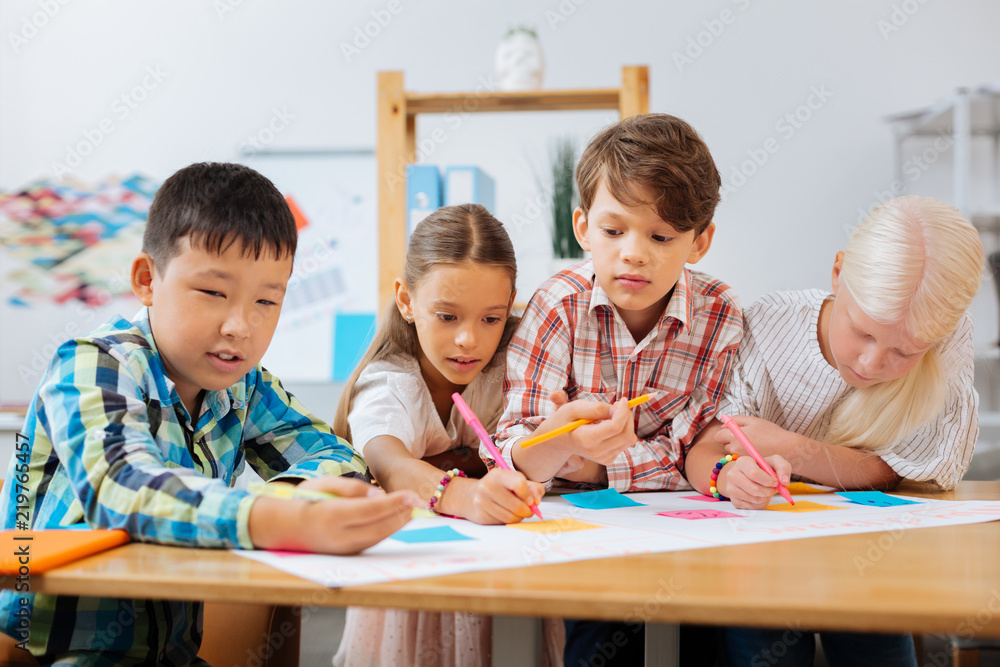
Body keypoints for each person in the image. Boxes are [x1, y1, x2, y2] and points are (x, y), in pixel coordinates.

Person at [0, 162, 420, 666]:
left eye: (266, 300)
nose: (240, 326)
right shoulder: (95, 365)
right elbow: (121, 487)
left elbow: (340, 456)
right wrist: (272, 518)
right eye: (213, 293)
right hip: (59, 653)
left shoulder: (244, 385)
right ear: (147, 280)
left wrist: (292, 498)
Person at [686, 195, 984, 666]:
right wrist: (726, 475)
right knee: (762, 638)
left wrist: (797, 451)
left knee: (875, 637)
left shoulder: (945, 334)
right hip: (761, 557)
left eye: (905, 352)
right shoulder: (769, 324)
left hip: (873, 558)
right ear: (838, 273)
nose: (872, 363)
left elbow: (911, 471)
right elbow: (704, 450)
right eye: (862, 332)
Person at [492, 114, 744, 667]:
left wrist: (588, 464)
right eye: (613, 231)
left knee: (707, 641)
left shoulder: (719, 315)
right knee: (599, 645)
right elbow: (509, 453)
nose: (633, 253)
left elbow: (696, 450)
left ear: (700, 241)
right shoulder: (557, 306)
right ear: (582, 227)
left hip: (687, 535)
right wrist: (560, 443)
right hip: (585, 535)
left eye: (661, 236)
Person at [331, 204, 550, 667]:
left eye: (491, 319)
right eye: (448, 316)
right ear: (407, 301)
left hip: (508, 576)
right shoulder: (390, 384)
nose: (469, 340)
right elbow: (389, 466)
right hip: (414, 586)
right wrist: (467, 493)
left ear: (510, 304)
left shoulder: (515, 366)